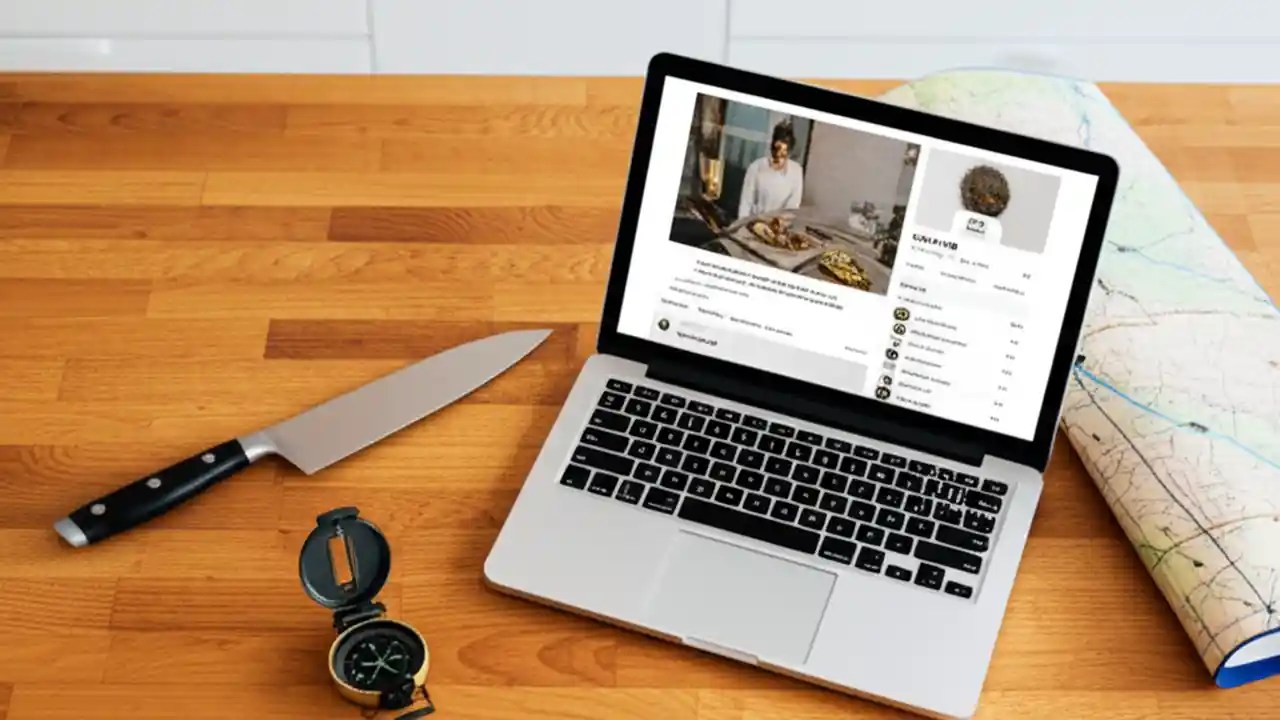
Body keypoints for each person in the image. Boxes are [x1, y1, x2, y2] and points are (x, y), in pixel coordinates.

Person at [738, 121, 804, 219]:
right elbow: (745, 204)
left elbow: (792, 208)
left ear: (789, 153)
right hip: (754, 224)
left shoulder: (796, 171)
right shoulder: (756, 167)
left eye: (783, 154)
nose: (778, 158)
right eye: (775, 152)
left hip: (779, 227)